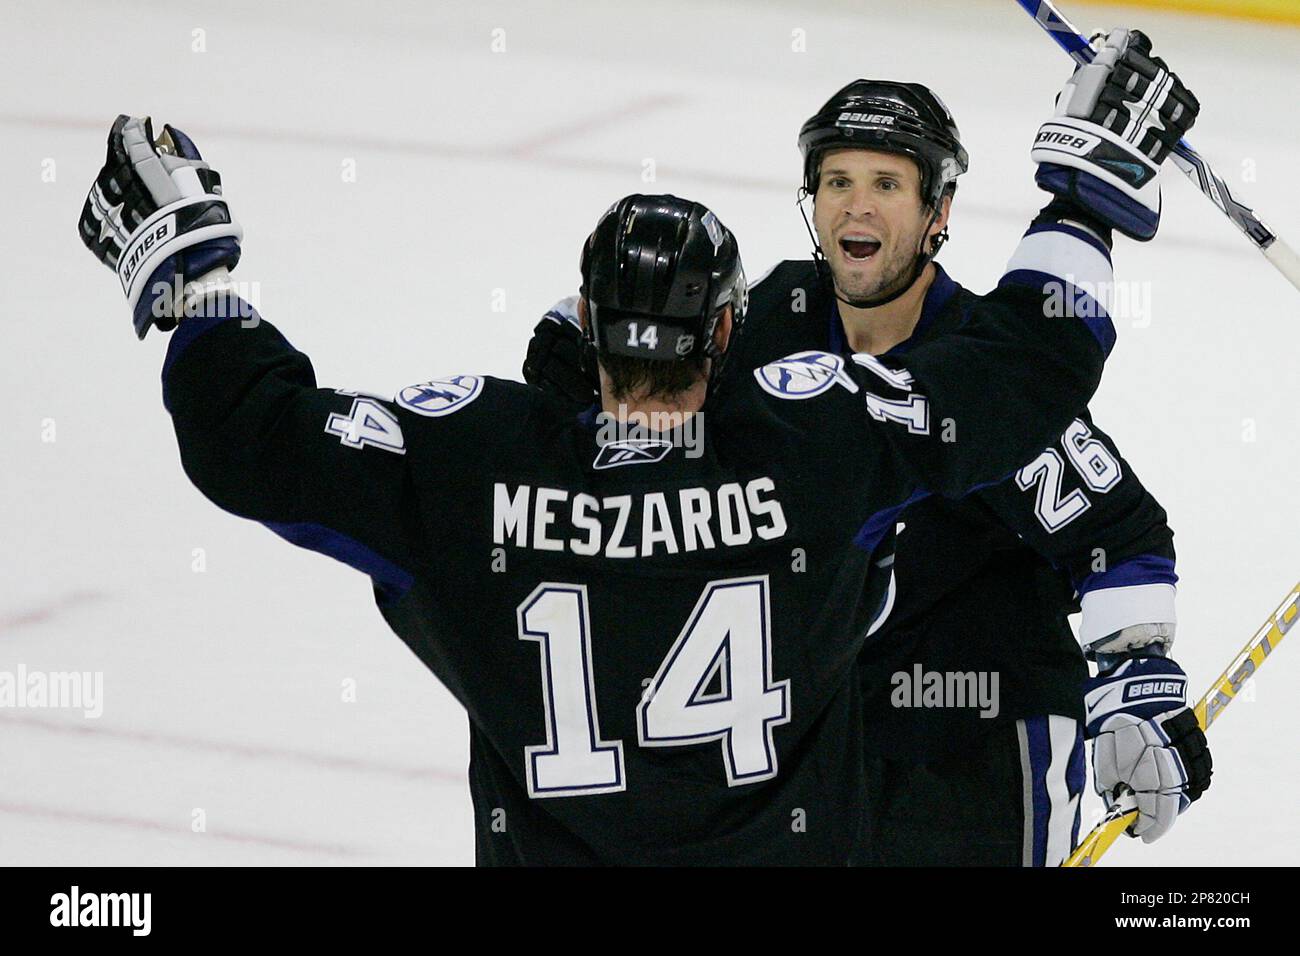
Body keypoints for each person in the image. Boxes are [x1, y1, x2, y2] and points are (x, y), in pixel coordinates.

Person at [79, 113, 1111, 863]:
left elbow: (248, 436)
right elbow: (1025, 369)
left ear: (583, 319)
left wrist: (190, 278)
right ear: (724, 332)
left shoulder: (471, 465)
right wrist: (1087, 190)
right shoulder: (814, 449)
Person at [522, 29, 1211, 865]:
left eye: (888, 183)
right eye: (838, 181)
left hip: (981, 751)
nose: (857, 205)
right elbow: (663, 433)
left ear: (938, 213)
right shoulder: (759, 327)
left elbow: (1119, 536)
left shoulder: (977, 363)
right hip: (815, 741)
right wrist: (600, 361)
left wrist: (1135, 686)